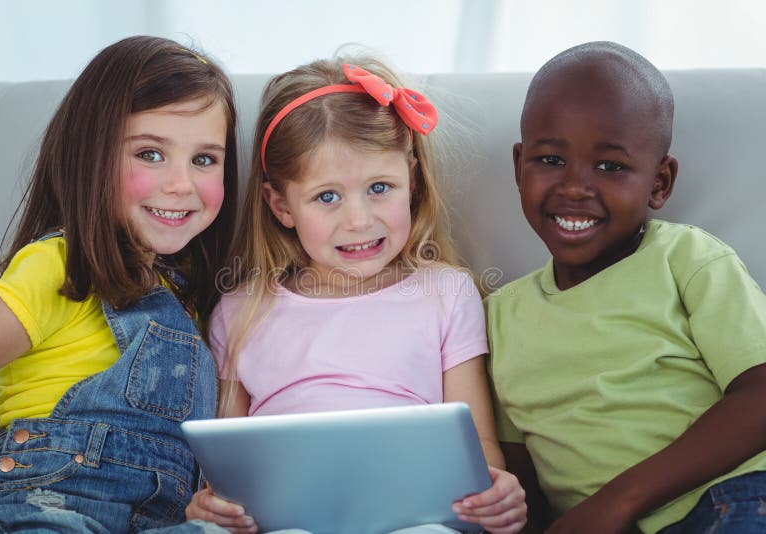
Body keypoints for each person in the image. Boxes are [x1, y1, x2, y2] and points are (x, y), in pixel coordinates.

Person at [185, 56, 528, 534]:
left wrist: (498, 495)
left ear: (412, 182)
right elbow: (224, 468)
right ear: (281, 205)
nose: (359, 220)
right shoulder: (240, 312)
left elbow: (481, 447)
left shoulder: (446, 293)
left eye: (379, 188)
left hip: (421, 521)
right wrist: (209, 507)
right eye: (327, 197)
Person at [487, 41, 766, 534]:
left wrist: (616, 503)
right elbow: (517, 473)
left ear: (659, 183)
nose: (575, 187)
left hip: (736, 498)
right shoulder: (496, 318)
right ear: (518, 166)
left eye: (610, 166)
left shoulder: (688, 259)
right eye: (551, 160)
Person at [0, 35, 238, 532]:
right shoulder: (63, 266)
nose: (181, 183)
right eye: (150, 154)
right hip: (48, 507)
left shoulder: (192, 300)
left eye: (204, 159)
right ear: (90, 154)